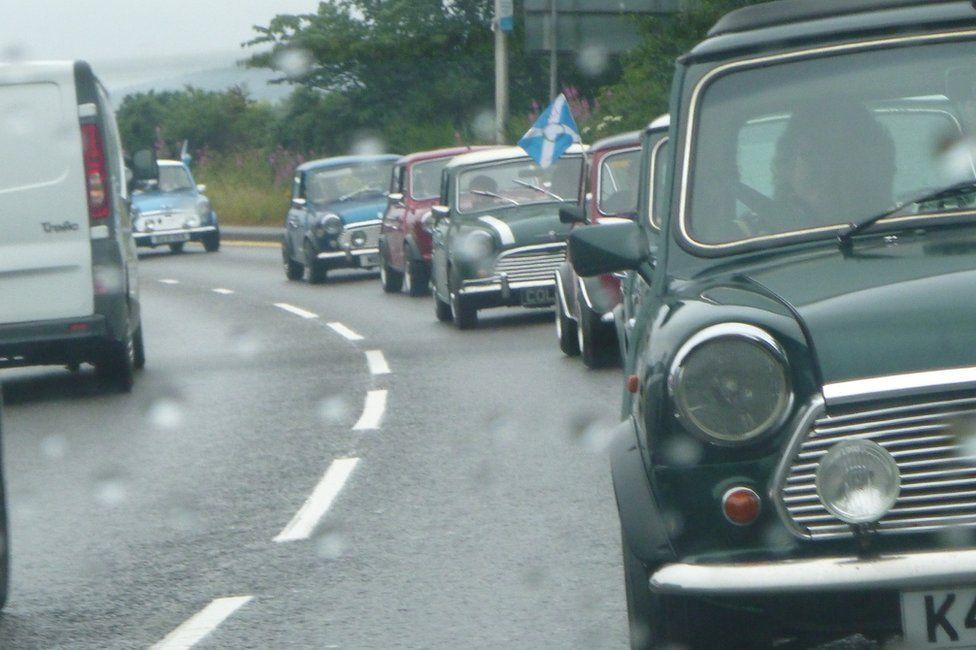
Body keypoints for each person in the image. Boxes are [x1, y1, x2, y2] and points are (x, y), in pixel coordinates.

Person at [770, 101, 897, 230]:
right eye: (814, 155)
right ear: (786, 167)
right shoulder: (755, 239)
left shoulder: (907, 230)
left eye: (843, 154)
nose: (828, 168)